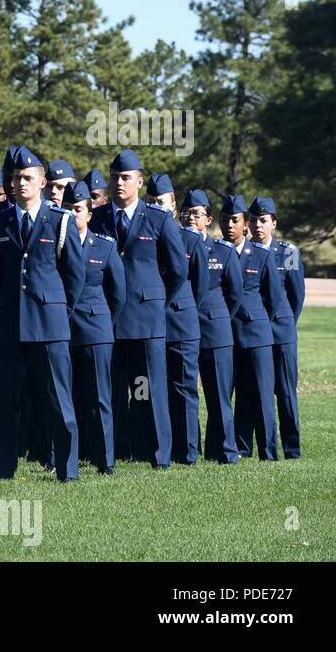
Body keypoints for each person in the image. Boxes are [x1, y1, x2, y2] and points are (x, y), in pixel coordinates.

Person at [0, 146, 85, 481]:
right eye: (15, 178)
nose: (20, 183)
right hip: (10, 323)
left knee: (58, 401)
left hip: (50, 325)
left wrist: (57, 309)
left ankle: (67, 470)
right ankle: (1, 468)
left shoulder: (60, 221)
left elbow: (74, 274)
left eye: (27, 177)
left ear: (42, 181)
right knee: (4, 401)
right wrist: (11, 303)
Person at [88, 149, 185, 469]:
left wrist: (155, 298)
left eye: (126, 177)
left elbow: (177, 270)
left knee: (150, 390)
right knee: (112, 390)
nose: (119, 183)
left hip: (146, 318)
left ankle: (158, 454)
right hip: (107, 318)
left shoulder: (157, 219)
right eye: (114, 177)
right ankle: (114, 451)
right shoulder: (97, 217)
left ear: (140, 182)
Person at [65, 181, 125, 474]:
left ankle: (105, 460)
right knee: (66, 398)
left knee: (100, 397)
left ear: (89, 214)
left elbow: (118, 294)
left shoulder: (104, 245)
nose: (72, 215)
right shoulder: (52, 245)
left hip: (95, 328)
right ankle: (66, 458)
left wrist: (103, 323)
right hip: (62, 330)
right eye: (67, 210)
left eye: (77, 210)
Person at [219, 194, 285, 461]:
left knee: (261, 395)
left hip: (257, 334)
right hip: (228, 335)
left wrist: (257, 319)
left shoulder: (260, 254)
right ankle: (241, 448)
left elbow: (275, 298)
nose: (229, 225)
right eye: (225, 220)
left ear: (245, 224)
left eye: (235, 220)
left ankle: (268, 452)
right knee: (237, 395)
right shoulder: (216, 252)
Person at [180, 190, 242, 464]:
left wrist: (219, 319)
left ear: (208, 219)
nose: (193, 219)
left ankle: (224, 451)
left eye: (198, 214)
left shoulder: (222, 250)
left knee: (219, 395)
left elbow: (235, 295)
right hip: (183, 330)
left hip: (215, 331)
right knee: (186, 394)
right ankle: (189, 451)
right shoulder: (175, 246)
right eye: (188, 213)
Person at [148, 173, 205, 465]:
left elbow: (200, 287)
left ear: (172, 206)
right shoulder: (142, 232)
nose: (157, 206)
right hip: (151, 323)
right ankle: (156, 448)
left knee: (183, 389)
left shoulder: (190, 240)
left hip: (181, 322)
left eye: (162, 202)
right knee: (153, 389)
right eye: (152, 201)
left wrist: (174, 305)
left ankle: (189, 451)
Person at [249, 196, 304, 459]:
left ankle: (292, 449)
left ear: (274, 223)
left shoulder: (288, 252)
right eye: (253, 220)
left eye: (263, 220)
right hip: (255, 333)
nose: (257, 225)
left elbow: (297, 295)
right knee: (259, 392)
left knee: (285, 392)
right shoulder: (245, 252)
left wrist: (286, 324)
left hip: (282, 332)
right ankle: (265, 450)